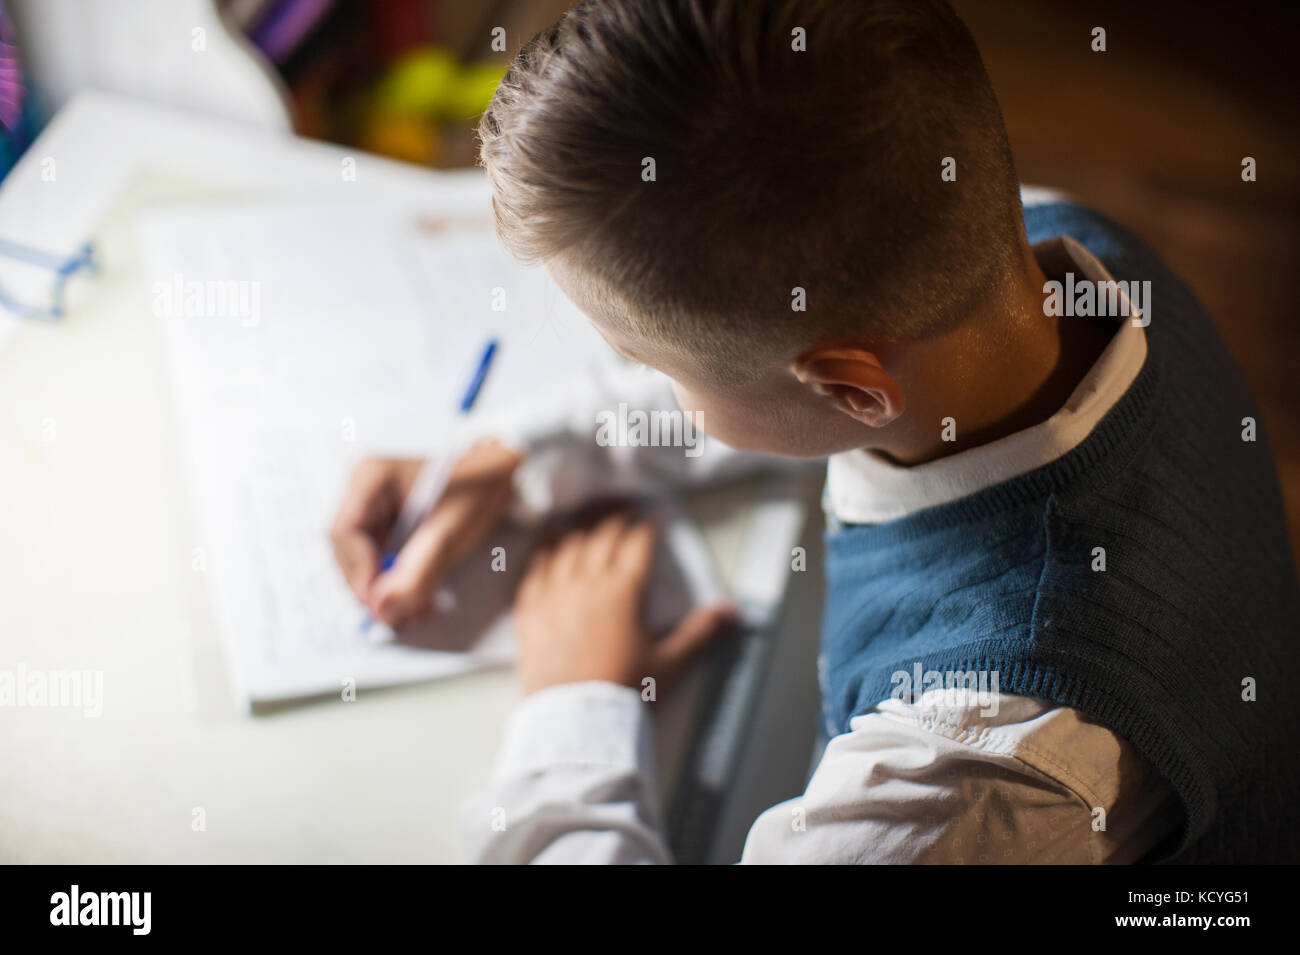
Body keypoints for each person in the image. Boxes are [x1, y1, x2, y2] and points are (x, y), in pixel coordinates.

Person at [331, 0, 1299, 863]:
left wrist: (573, 712)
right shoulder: (1043, 236)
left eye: (653, 365)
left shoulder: (964, 780)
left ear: (853, 392)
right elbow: (807, 350)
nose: (646, 383)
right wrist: (524, 450)